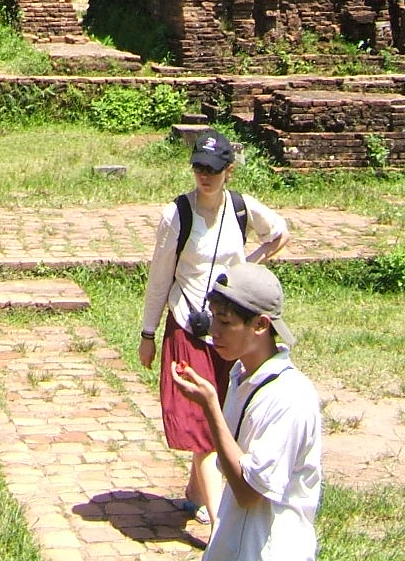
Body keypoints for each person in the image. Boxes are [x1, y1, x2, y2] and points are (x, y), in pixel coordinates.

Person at [140, 132, 290, 526]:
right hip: (187, 324)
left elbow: (279, 232)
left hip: (227, 328)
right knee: (204, 431)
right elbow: (159, 277)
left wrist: (245, 267)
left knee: (221, 415)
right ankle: (220, 525)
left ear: (229, 171)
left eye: (212, 169)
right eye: (198, 167)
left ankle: (194, 494)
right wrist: (147, 333)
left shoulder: (241, 208)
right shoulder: (177, 214)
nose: (204, 176)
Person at [168, 262, 323, 561]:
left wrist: (211, 407)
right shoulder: (240, 376)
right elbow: (233, 466)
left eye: (225, 322)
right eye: (213, 318)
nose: (214, 331)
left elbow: (249, 493)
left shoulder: (288, 396)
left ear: (261, 325)